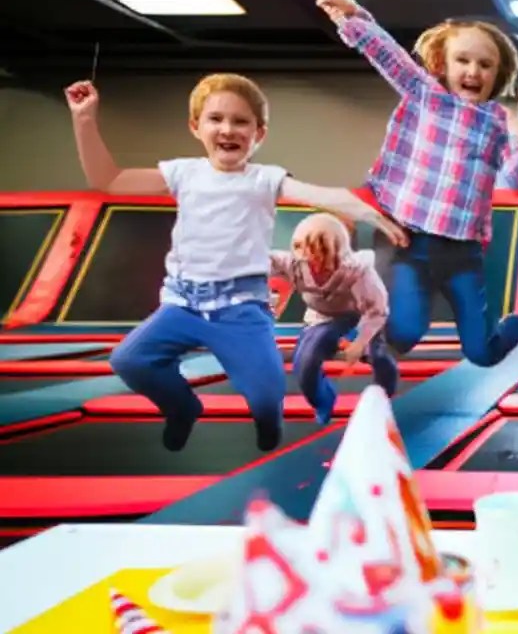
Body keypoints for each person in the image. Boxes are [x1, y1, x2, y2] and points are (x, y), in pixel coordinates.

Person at [64, 74, 407, 452]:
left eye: (241, 121)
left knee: (265, 396)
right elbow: (109, 179)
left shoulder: (264, 179)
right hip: (183, 304)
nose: (228, 129)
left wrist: (370, 213)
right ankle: (182, 407)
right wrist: (83, 120)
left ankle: (268, 422)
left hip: (240, 308)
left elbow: (319, 194)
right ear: (196, 127)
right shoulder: (184, 173)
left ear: (259, 133)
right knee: (129, 360)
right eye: (216, 119)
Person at [316, 0, 518, 366]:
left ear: (497, 73)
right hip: (410, 242)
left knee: (483, 353)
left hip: (463, 253)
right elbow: (389, 57)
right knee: (402, 333)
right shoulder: (425, 95)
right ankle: (347, 328)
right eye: (463, 61)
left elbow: (514, 178)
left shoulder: (497, 121)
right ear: (442, 63)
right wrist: (353, 15)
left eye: (485, 65)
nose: (473, 71)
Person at [269, 213, 398, 425]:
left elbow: (377, 309)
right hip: (323, 317)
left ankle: (384, 397)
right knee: (305, 361)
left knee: (378, 356)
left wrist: (360, 342)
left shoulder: (357, 270)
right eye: (310, 255)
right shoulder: (293, 263)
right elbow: (256, 264)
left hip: (360, 316)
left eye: (322, 256)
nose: (316, 265)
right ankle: (323, 401)